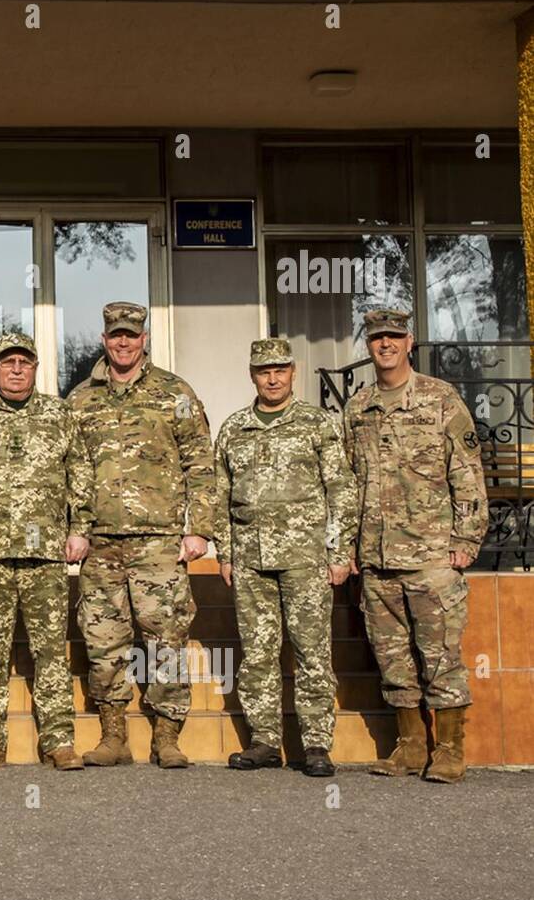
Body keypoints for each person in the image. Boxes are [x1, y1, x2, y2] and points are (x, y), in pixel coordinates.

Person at [67, 301, 215, 769]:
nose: (124, 342)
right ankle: (114, 737)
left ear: (144, 338)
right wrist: (75, 529)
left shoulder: (176, 393)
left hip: (159, 541)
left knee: (166, 636)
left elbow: (201, 463)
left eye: (132, 335)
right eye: (116, 335)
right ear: (104, 339)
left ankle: (167, 737)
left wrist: (200, 530)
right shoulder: (81, 399)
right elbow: (69, 471)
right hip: (101, 543)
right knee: (103, 639)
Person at [343, 309, 487, 783]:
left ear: (410, 341)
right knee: (393, 659)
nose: (385, 344)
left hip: (430, 556)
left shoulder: (440, 399)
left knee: (440, 656)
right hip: (377, 558)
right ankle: (409, 745)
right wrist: (346, 548)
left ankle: (449, 750)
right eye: (377, 337)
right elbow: (347, 484)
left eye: (394, 336)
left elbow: (466, 474)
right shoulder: (357, 407)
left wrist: (466, 539)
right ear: (368, 344)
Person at [0, 331, 93, 771]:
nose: (15, 369)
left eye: (24, 362)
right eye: (7, 362)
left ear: (35, 368)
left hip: (46, 551)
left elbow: (79, 474)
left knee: (50, 649)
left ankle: (59, 741)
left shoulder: (59, 415)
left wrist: (79, 528)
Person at [214, 338, 357, 778]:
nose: (272, 378)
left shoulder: (317, 424)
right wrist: (225, 551)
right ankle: (264, 741)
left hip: (306, 558)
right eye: (263, 371)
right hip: (251, 559)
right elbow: (218, 495)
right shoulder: (234, 428)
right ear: (252, 375)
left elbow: (342, 490)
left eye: (279, 369)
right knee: (257, 653)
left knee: (311, 651)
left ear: (293, 372)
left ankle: (316, 744)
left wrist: (340, 550)